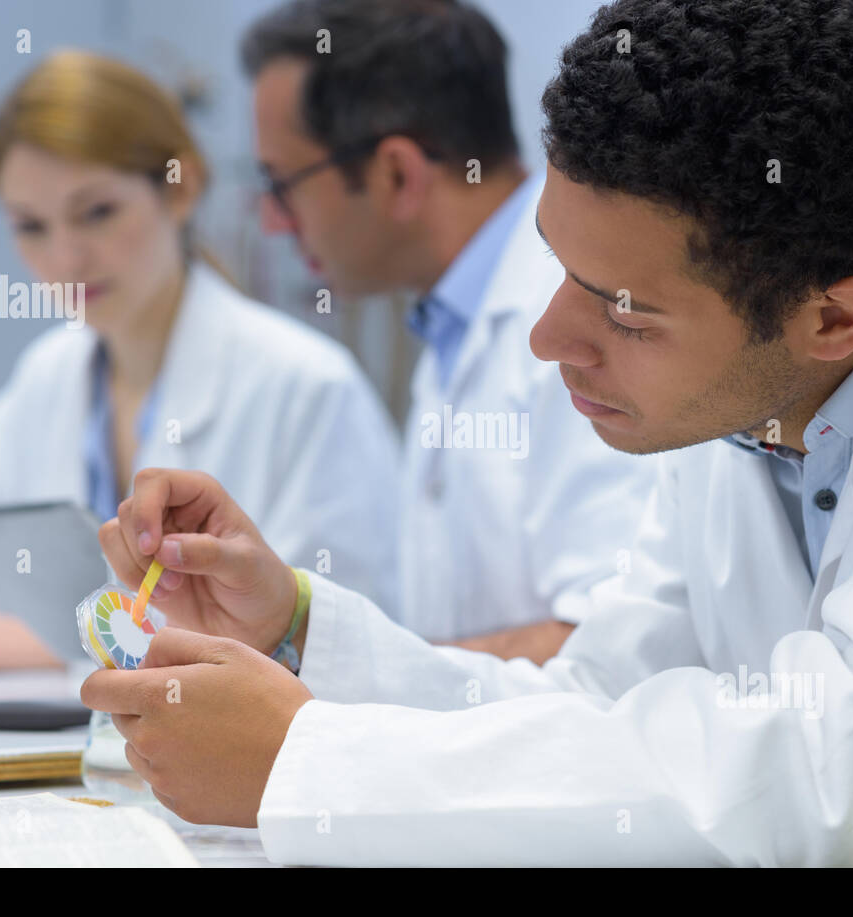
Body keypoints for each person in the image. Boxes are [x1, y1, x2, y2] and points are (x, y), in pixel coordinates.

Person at [82, 0, 853, 865]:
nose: (546, 338)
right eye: (556, 270)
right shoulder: (747, 407)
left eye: (622, 310)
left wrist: (311, 768)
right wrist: (295, 629)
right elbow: (595, 705)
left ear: (832, 319)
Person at [0, 50, 400, 671]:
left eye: (97, 212)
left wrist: (66, 644)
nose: (67, 258)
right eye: (30, 226)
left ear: (178, 187)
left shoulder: (307, 387)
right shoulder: (50, 377)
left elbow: (338, 647)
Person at [241, 0, 657, 662]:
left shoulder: (577, 326)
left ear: (398, 173)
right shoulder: (452, 326)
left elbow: (607, 646)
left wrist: (322, 666)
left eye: (282, 183)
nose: (270, 221)